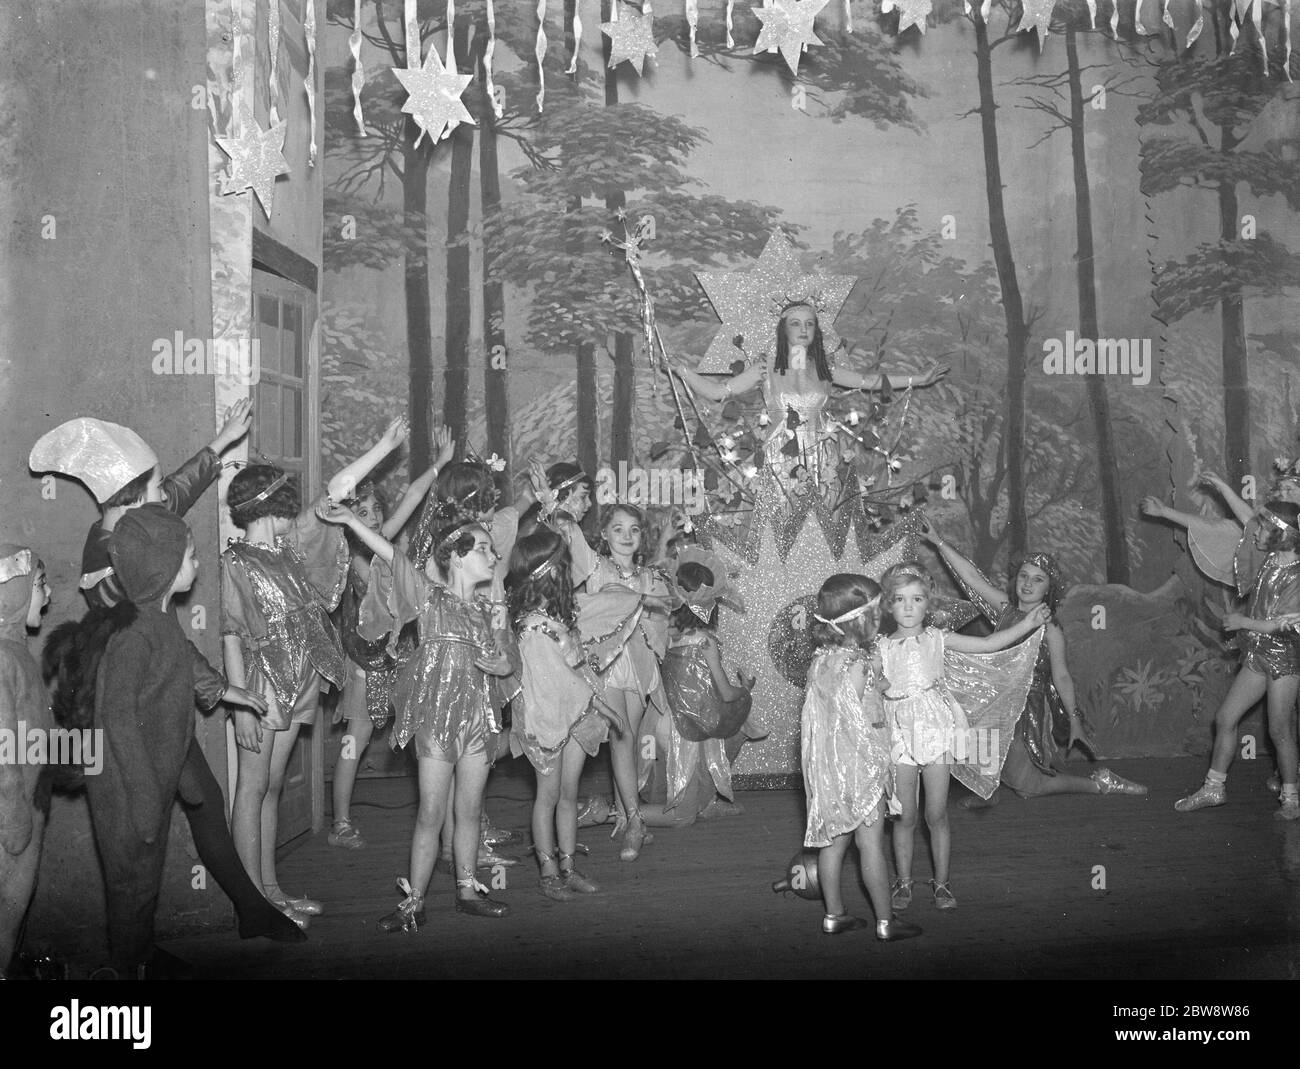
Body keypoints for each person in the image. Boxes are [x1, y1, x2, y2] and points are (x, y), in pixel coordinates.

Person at [32, 404, 304, 946]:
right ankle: (141, 953)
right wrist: (224, 691)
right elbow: (161, 647)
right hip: (135, 707)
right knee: (137, 842)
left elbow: (175, 491)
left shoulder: (139, 525)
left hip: (161, 697)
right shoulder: (116, 554)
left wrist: (222, 442)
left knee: (199, 802)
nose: (166, 493)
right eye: (154, 486)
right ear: (134, 496)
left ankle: (242, 913)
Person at [222, 418, 409, 924]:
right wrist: (239, 701)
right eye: (287, 507)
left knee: (273, 786)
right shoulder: (237, 561)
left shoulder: (286, 551)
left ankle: (272, 892)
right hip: (261, 687)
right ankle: (252, 904)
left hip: (300, 677)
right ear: (269, 509)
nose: (298, 516)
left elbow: (336, 490)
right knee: (252, 787)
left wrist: (382, 446)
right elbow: (231, 634)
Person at [88, 507, 282, 976]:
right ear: (165, 566)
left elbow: (184, 660)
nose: (197, 565)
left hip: (162, 758)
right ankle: (126, 965)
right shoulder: (133, 635)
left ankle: (142, 953)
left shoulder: (157, 616)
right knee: (130, 879)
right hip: (127, 779)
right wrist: (143, 800)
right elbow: (116, 719)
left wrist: (232, 692)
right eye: (191, 557)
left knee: (145, 876)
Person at [333, 506, 517, 928]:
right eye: (484, 549)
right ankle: (413, 901)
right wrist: (350, 522)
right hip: (436, 721)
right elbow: (391, 555)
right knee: (431, 812)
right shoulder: (428, 596)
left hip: (479, 721)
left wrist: (504, 665)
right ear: (456, 556)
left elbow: (510, 656)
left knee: (469, 810)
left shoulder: (491, 610)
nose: (493, 557)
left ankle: (467, 890)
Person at [921, 520, 1148, 805]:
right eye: (1024, 576)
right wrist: (939, 542)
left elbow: (1062, 676)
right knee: (973, 738)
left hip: (1023, 708)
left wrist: (1075, 721)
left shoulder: (1050, 629)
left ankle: (1099, 783)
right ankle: (987, 790)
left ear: (1049, 589)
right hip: (991, 696)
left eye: (1037, 579)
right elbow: (972, 578)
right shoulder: (1006, 608)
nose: (1027, 584)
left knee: (1029, 786)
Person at [878, 562, 1049, 913]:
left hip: (935, 733)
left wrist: (1029, 624)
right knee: (905, 816)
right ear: (888, 605)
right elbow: (870, 690)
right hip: (898, 735)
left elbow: (988, 643)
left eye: (917, 598)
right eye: (899, 599)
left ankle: (941, 882)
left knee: (936, 814)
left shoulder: (938, 639)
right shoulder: (879, 647)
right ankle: (904, 881)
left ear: (929, 603)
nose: (908, 606)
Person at [329, 429, 453, 851]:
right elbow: (379, 577)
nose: (374, 517)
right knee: (355, 741)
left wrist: (440, 460)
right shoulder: (351, 553)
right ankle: (341, 821)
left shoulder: (379, 542)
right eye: (361, 512)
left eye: (375, 509)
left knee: (425, 733)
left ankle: (440, 812)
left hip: (399, 656)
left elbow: (414, 496)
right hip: (366, 660)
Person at [669, 300, 946, 484]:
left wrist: (919, 379)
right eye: (795, 323)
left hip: (821, 456)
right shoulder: (766, 367)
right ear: (784, 329)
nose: (803, 329)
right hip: (779, 456)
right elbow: (719, 392)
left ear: (816, 330)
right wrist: (683, 371)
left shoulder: (826, 368)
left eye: (809, 323)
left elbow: (868, 380)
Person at [506, 529, 627, 900]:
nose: (567, 571)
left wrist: (602, 706)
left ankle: (569, 866)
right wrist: (595, 704)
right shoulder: (531, 626)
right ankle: (547, 871)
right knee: (548, 794)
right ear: (544, 572)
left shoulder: (557, 617)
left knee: (568, 794)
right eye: (561, 566)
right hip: (546, 721)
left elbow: (579, 673)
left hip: (576, 715)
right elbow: (550, 682)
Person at [801, 573, 921, 941]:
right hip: (860, 768)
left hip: (829, 769)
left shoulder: (821, 660)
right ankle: (886, 921)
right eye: (873, 614)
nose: (879, 620)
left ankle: (834, 915)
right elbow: (861, 721)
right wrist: (881, 764)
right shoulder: (858, 664)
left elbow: (826, 713)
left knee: (833, 844)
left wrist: (876, 686)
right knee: (870, 845)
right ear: (856, 620)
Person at [1174, 500, 1300, 820]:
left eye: (1264, 528)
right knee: (1226, 718)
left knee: (1279, 730)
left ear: (1282, 534)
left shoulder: (1297, 574)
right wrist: (1219, 486)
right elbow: (1246, 519)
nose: (1255, 532)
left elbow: (1284, 624)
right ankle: (1214, 788)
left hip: (1285, 659)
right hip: (1258, 654)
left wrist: (1244, 623)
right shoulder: (1269, 559)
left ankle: (1291, 798)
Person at [638, 548, 762, 827]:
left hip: (660, 720)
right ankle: (618, 813)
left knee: (722, 741)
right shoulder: (706, 642)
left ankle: (705, 802)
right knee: (683, 817)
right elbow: (727, 693)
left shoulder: (669, 634)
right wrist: (745, 689)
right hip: (685, 730)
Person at [0, 546, 53, 977]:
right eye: (38, 585)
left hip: (23, 815)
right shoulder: (1, 658)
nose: (48, 595)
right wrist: (15, 819)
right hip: (7, 825)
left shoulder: (14, 651)